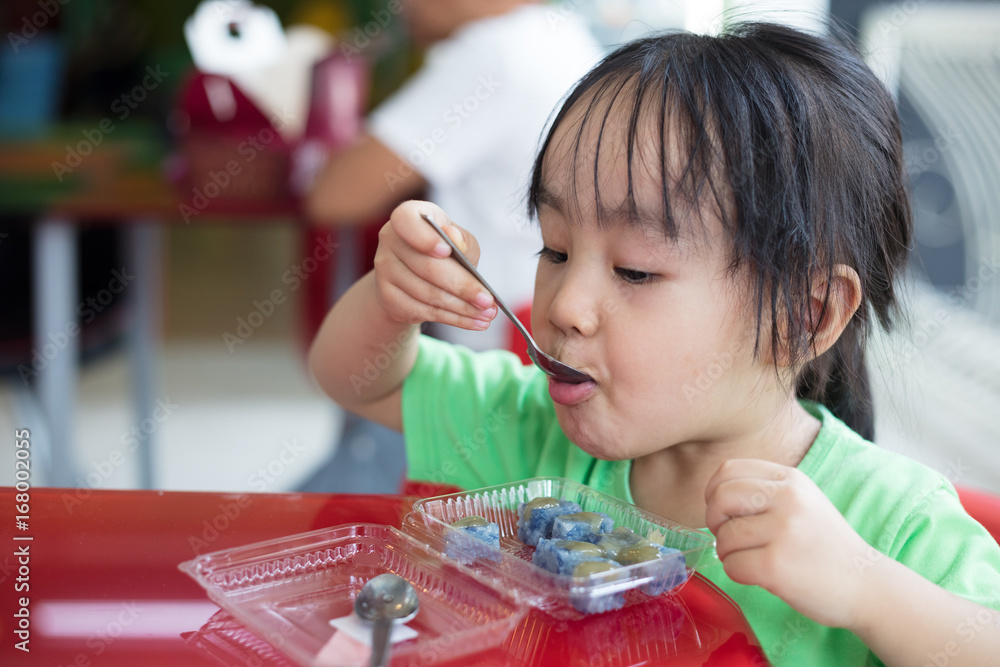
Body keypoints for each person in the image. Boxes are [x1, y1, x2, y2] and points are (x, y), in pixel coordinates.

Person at [308, 22, 1000, 664]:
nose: (567, 305)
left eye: (635, 269)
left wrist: (869, 590)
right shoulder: (531, 432)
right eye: (554, 249)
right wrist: (391, 298)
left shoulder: (888, 520)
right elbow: (362, 379)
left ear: (802, 313)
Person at [305, 0, 600, 352]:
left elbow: (335, 195)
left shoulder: (495, 52)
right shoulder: (564, 37)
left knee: (358, 358)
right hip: (554, 322)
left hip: (495, 345)